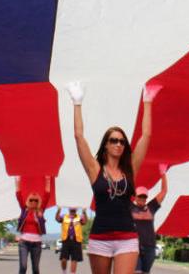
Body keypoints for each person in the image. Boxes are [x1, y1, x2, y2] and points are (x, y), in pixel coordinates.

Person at [68, 81, 159, 274]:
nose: (118, 144)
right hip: (100, 238)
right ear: (106, 145)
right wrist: (77, 103)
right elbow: (78, 136)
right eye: (113, 140)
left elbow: (147, 135)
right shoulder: (95, 169)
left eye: (122, 141)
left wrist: (148, 101)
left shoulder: (130, 168)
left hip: (127, 238)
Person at [130, 164, 168, 274]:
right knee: (136, 271)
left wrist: (163, 174)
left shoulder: (151, 207)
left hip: (150, 248)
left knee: (145, 272)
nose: (142, 198)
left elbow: (164, 192)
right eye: (140, 196)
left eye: (144, 196)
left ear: (146, 198)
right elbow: (120, 192)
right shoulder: (129, 207)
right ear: (135, 197)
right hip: (134, 247)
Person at [15, 175, 50, 274]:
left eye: (36, 200)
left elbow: (47, 195)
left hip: (36, 244)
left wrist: (47, 179)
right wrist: (18, 180)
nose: (33, 202)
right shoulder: (24, 210)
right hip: (24, 243)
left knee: (35, 269)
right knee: (23, 267)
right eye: (31, 200)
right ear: (28, 201)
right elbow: (18, 195)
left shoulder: (40, 211)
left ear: (38, 201)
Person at [55, 207, 87, 274]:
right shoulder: (64, 216)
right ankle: (64, 272)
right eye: (71, 210)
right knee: (63, 259)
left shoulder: (79, 217)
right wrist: (58, 210)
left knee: (74, 259)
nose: (73, 211)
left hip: (76, 240)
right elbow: (57, 219)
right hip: (66, 239)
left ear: (76, 210)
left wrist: (84, 212)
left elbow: (84, 222)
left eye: (74, 210)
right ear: (69, 210)